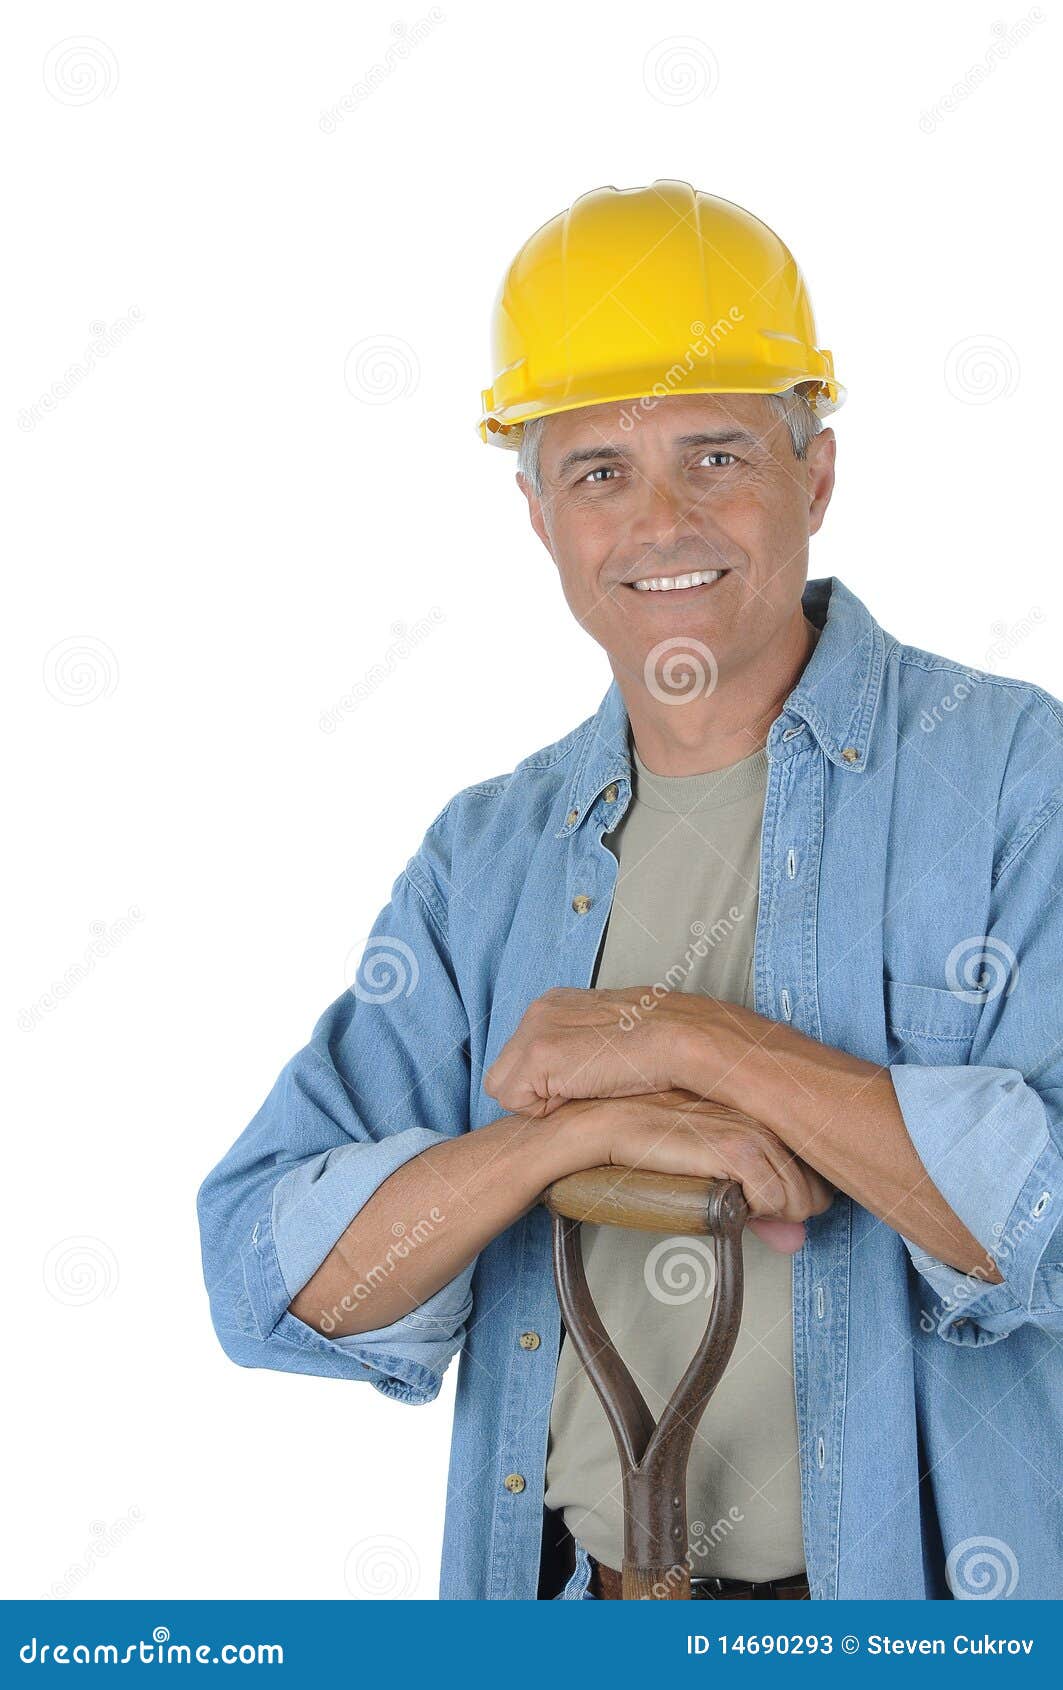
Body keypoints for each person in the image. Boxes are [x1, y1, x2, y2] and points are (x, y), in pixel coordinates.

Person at [197, 182, 1063, 1601]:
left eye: (715, 453)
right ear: (537, 513)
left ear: (819, 473)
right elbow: (268, 1277)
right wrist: (569, 1138)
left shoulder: (1018, 776)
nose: (659, 518)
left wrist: (685, 1035)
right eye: (597, 468)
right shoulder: (490, 856)